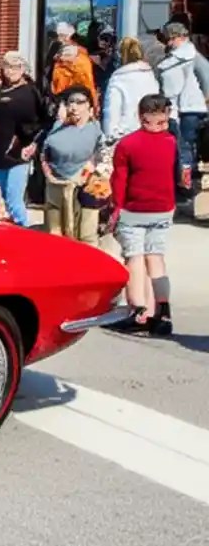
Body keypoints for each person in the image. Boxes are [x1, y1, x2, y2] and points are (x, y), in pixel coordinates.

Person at [109, 94, 178, 336]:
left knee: (134, 259)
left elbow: (119, 181)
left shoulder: (128, 144)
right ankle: (163, 311)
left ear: (141, 116)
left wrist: (115, 208)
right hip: (163, 207)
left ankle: (138, 312)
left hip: (134, 208)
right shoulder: (171, 142)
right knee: (156, 258)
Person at [0, 52, 53, 227]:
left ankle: (24, 233)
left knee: (14, 202)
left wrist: (33, 143)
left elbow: (42, 122)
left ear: (23, 69)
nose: (11, 71)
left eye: (16, 67)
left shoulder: (30, 92)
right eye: (7, 66)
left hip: (17, 154)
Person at [41, 85, 104, 246]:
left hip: (86, 183)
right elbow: (46, 151)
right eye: (70, 102)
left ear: (89, 106)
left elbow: (102, 154)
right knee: (55, 233)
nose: (74, 107)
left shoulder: (96, 128)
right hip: (57, 183)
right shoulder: (57, 127)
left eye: (80, 102)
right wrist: (59, 121)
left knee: (86, 232)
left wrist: (89, 171)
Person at [154, 21, 209, 195]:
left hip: (187, 108)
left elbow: (206, 80)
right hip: (187, 107)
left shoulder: (190, 58)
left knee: (184, 148)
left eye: (170, 38)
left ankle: (186, 186)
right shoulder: (187, 56)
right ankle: (185, 184)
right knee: (185, 147)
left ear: (177, 37)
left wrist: (206, 100)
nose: (168, 42)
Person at [103, 36, 160, 142]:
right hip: (150, 130)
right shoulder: (150, 76)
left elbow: (111, 110)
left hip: (125, 134)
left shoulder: (118, 78)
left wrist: (109, 136)